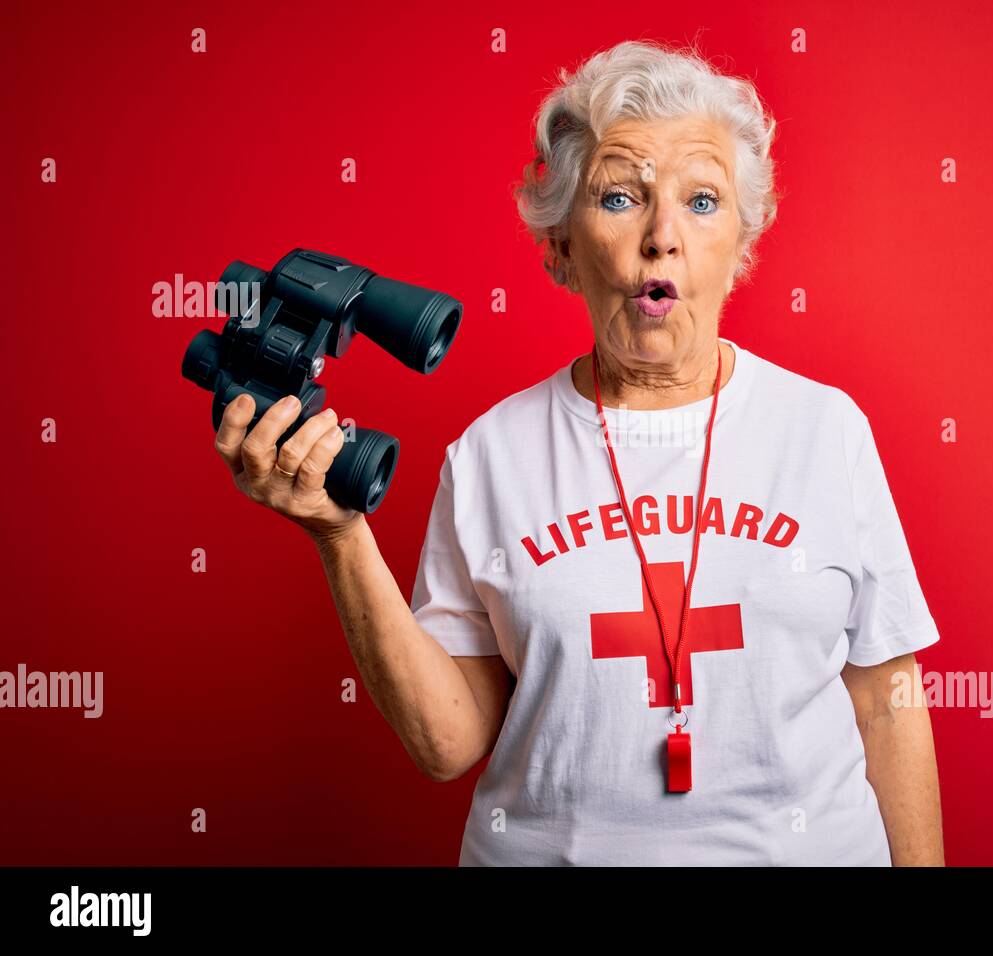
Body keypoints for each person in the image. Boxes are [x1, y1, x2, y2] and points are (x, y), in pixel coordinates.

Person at [212, 39, 944, 866]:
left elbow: (887, 701)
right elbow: (447, 742)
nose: (663, 235)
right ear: (561, 247)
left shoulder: (825, 430)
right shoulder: (490, 455)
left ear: (741, 244)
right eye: (621, 197)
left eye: (702, 202)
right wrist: (340, 538)